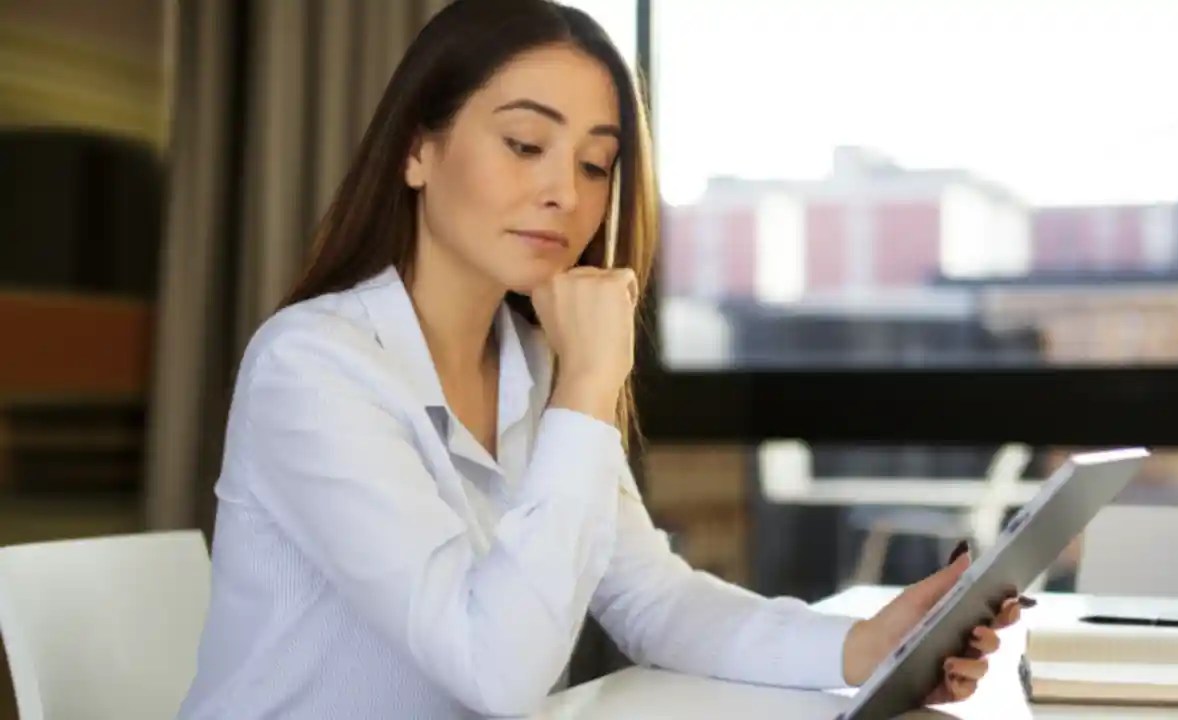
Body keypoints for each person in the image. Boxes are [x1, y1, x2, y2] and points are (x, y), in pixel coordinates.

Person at [177, 1, 1021, 717]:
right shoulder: (314, 367)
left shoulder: (537, 364)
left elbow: (652, 600)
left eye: (594, 165)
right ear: (417, 150)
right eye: (523, 145)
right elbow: (496, 670)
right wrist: (588, 383)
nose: (566, 194)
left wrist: (867, 644)